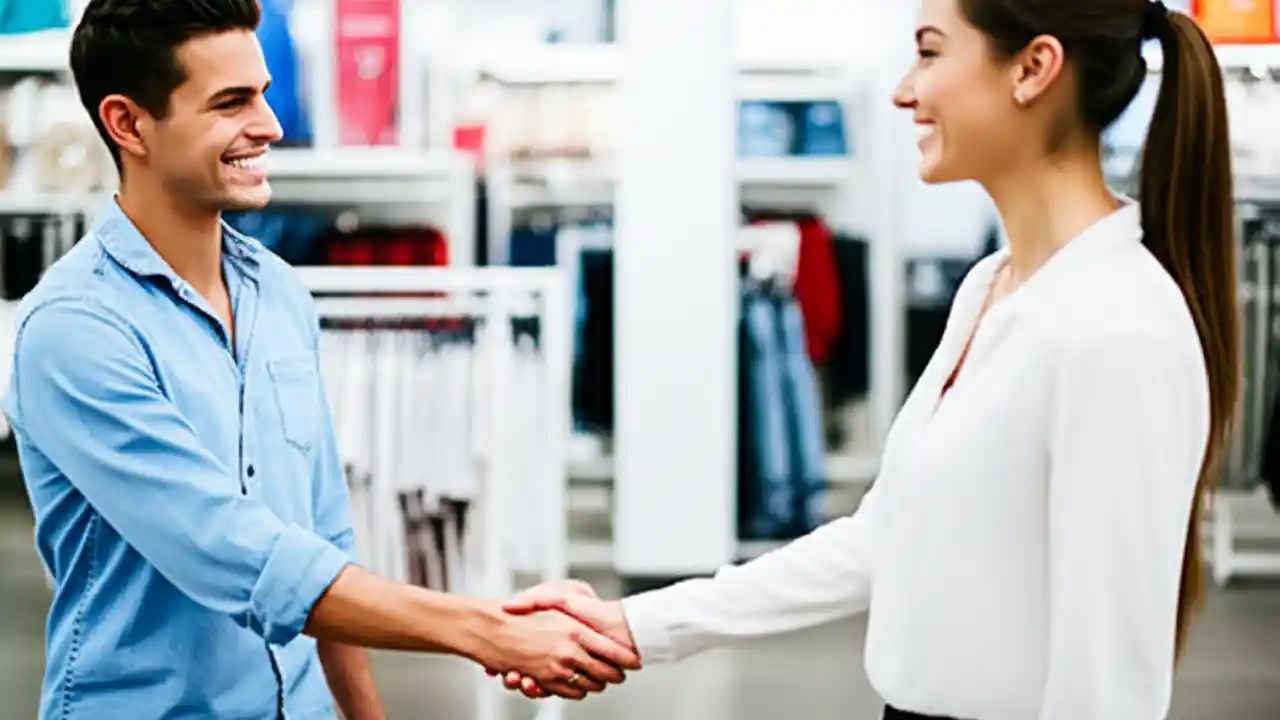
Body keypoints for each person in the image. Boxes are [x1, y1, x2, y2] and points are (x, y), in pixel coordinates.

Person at [498, 1, 1238, 718]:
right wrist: (636, 625)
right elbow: (886, 535)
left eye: (929, 51)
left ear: (1034, 68)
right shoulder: (994, 286)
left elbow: (1107, 689)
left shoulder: (1119, 328)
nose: (903, 90)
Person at [1, 2, 636, 718]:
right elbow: (233, 552)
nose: (271, 126)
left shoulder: (278, 295)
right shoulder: (77, 331)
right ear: (128, 123)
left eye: (264, 94)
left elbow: (323, 541)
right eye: (230, 103)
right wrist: (486, 631)